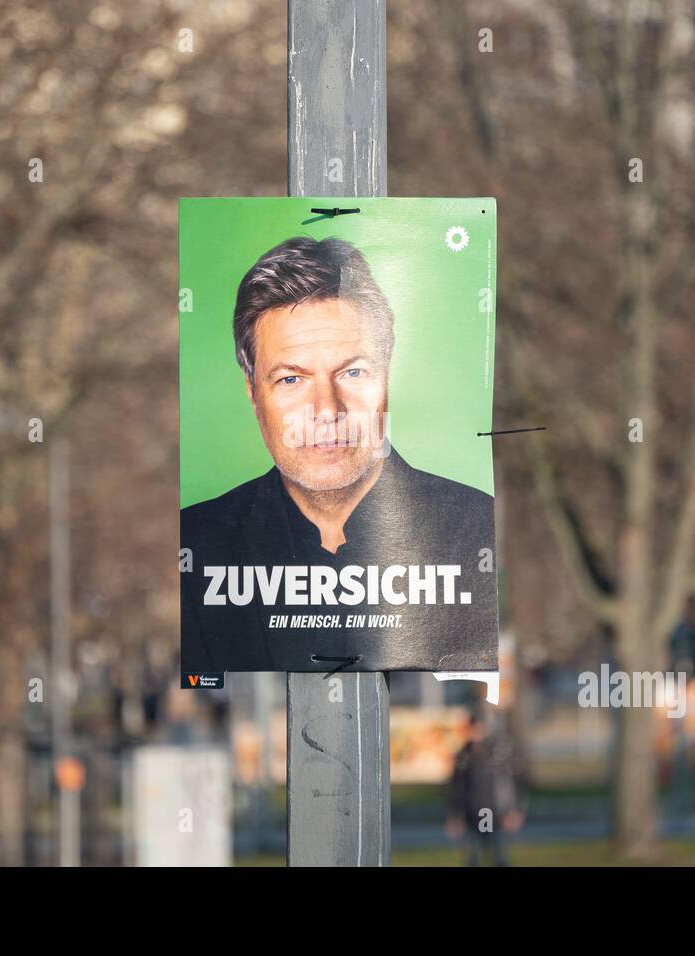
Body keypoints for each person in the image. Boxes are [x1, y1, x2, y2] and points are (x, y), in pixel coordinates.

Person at [181, 236, 496, 672]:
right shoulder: (196, 543)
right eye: (292, 379)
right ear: (253, 393)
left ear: (387, 377)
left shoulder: (478, 527)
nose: (327, 410)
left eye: (353, 371)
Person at [445, 709, 525, 866]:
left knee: (499, 856)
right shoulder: (463, 755)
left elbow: (514, 783)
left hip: (495, 813)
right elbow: (456, 788)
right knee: (472, 858)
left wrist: (514, 810)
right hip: (471, 814)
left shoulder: (501, 752)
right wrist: (455, 816)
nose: (476, 733)